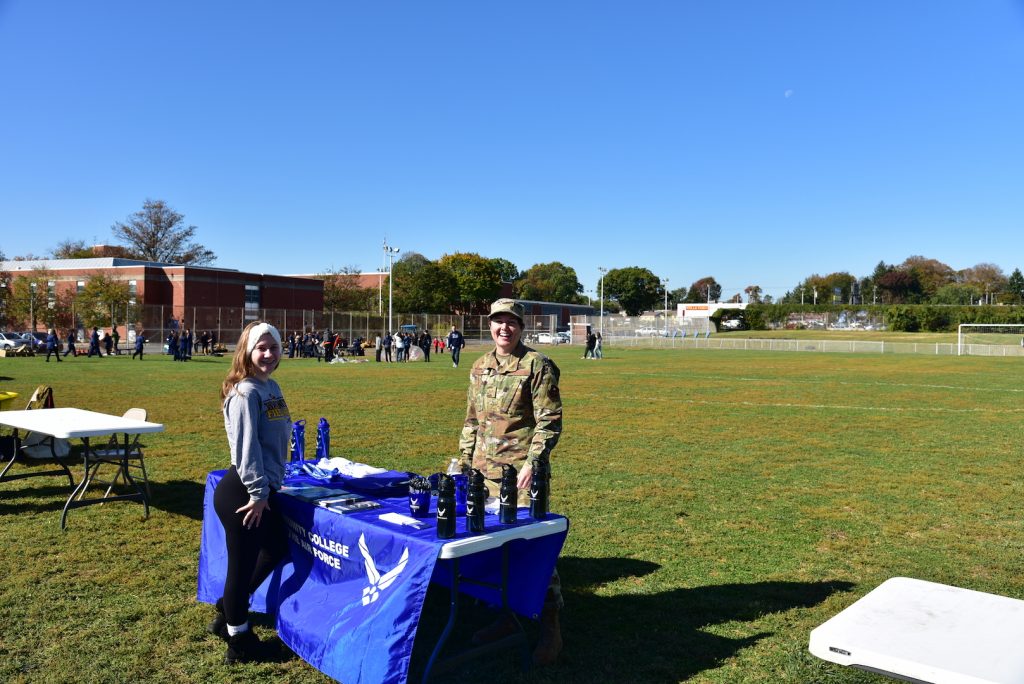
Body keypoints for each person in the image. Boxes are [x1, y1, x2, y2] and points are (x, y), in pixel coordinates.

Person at [456, 299, 564, 665]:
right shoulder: (480, 366)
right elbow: (472, 420)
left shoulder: (537, 365)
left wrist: (535, 462)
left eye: (511, 322)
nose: (504, 328)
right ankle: (505, 617)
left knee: (530, 548)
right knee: (491, 549)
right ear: (490, 325)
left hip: (519, 476)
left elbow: (549, 420)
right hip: (481, 475)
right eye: (498, 322)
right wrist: (463, 462)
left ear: (521, 327)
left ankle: (551, 628)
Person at [208, 321, 291, 664]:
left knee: (275, 547)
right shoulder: (245, 393)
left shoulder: (270, 386)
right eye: (261, 348)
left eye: (273, 347)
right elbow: (246, 452)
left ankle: (228, 609)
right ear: (247, 351)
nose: (268, 354)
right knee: (240, 570)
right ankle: (239, 644)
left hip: (258, 489)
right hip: (243, 494)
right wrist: (258, 494)